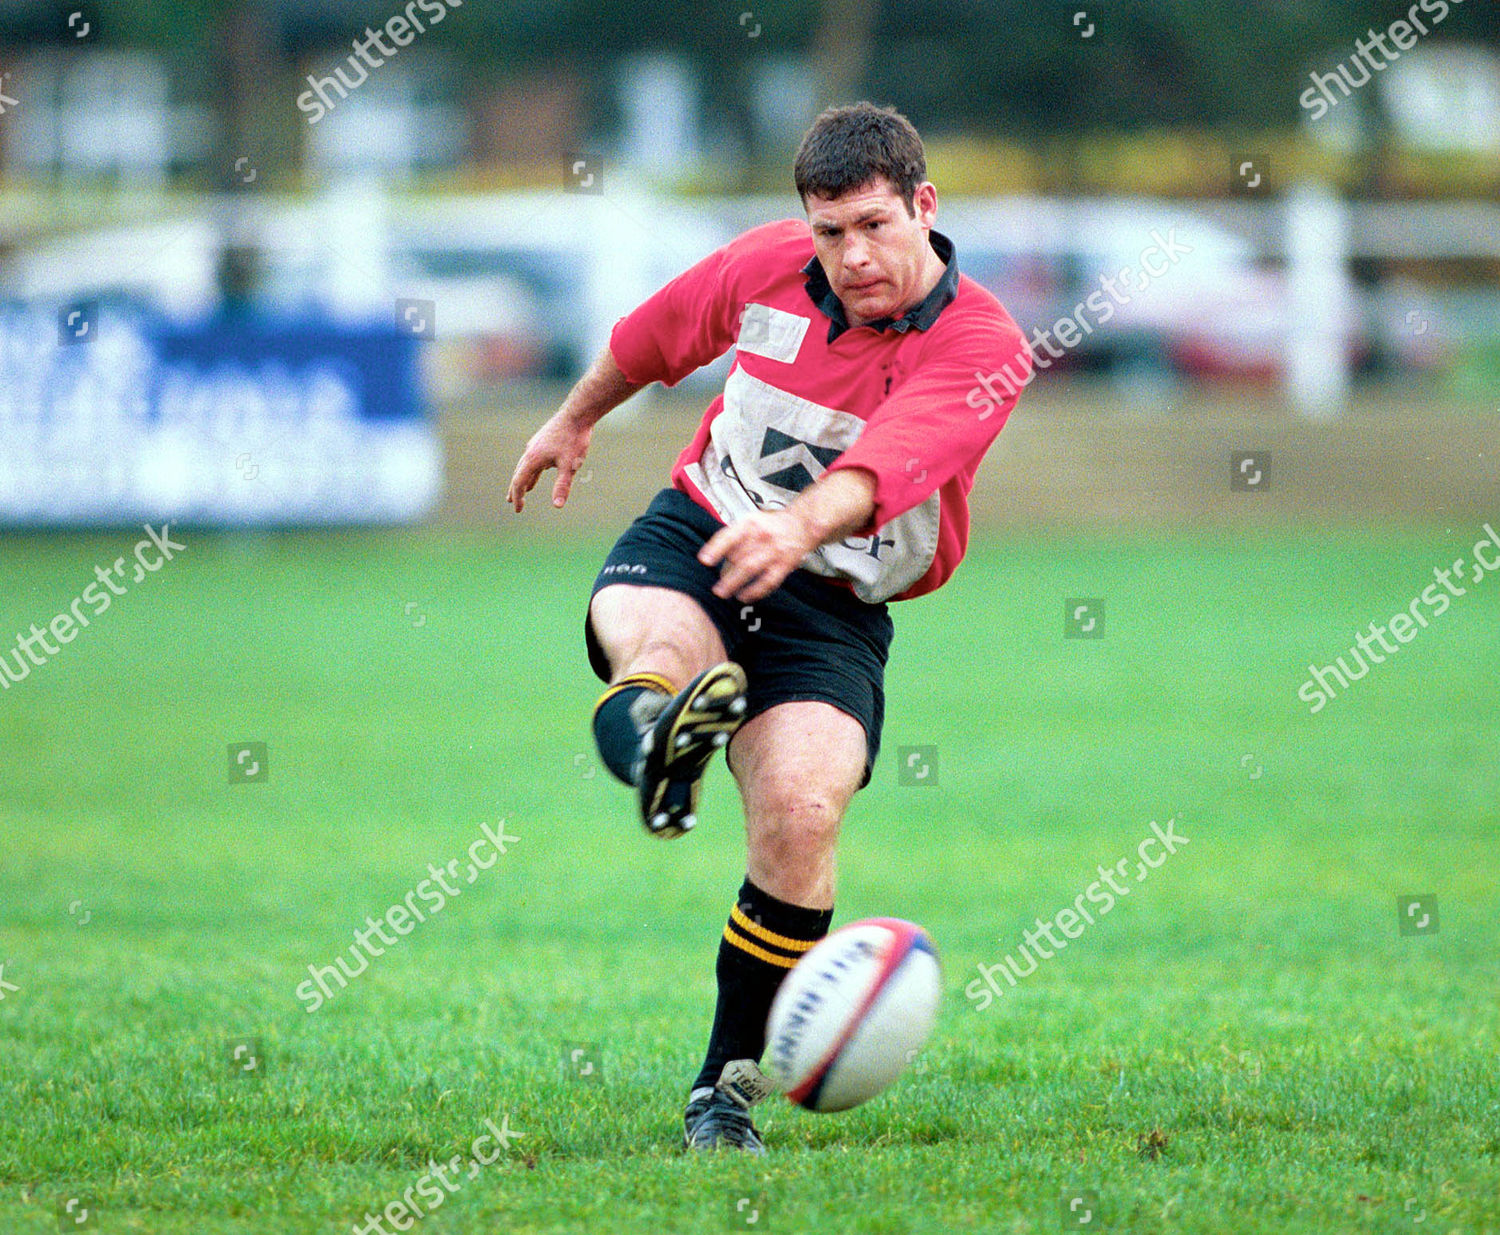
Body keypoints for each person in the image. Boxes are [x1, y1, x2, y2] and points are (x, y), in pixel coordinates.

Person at [507, 101, 1031, 1153]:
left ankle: (722, 1089)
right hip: (699, 533)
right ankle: (664, 743)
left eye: (876, 226)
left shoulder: (985, 344)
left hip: (831, 603)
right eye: (830, 232)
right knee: (654, 651)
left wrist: (795, 527)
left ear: (924, 207)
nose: (853, 255)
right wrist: (573, 418)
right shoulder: (766, 269)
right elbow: (648, 338)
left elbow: (889, 463)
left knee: (800, 809)